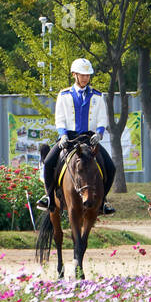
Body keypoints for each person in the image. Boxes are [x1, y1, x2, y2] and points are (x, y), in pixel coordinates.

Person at [37, 59, 117, 216]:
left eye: (88, 75)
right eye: (82, 75)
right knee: (48, 163)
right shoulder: (64, 95)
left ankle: (103, 201)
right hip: (69, 139)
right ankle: (49, 198)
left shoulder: (98, 96)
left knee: (111, 167)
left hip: (89, 139)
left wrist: (99, 134)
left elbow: (102, 118)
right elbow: (59, 118)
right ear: (74, 74)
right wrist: (63, 136)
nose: (85, 78)